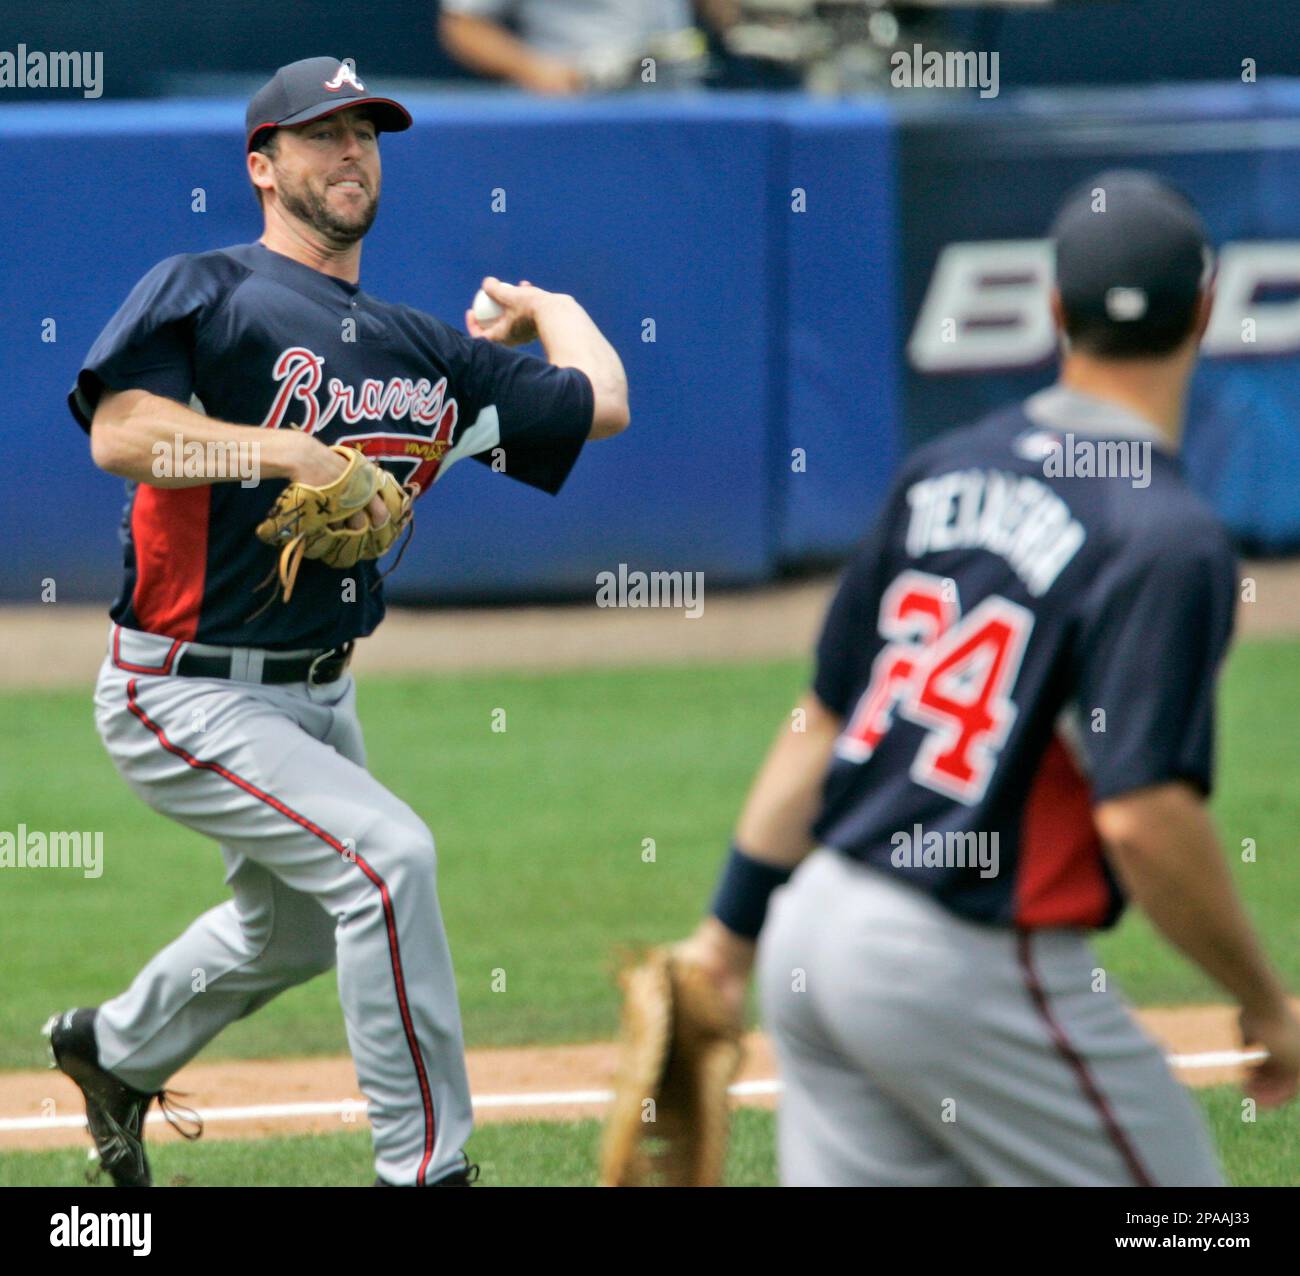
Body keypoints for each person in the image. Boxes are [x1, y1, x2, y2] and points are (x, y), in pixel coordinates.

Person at [45, 55, 629, 1188]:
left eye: (365, 133)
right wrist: (284, 449)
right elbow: (118, 433)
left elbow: (600, 404)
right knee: (389, 860)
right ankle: (426, 1173)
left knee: (300, 927)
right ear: (262, 166)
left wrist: (548, 307)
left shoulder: (423, 354)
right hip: (183, 686)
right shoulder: (205, 288)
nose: (349, 151)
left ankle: (112, 1051)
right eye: (320, 134)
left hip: (317, 696)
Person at [674, 171, 1300, 1186]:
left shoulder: (943, 468)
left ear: (1053, 311)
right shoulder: (1167, 534)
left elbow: (822, 721)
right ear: (1208, 309)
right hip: (959, 962)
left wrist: (725, 936)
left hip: (814, 930)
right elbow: (1141, 817)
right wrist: (1265, 998)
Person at [438, 0, 738, 93]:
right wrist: (535, 69)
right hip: (578, 118)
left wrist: (745, 21)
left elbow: (720, 11)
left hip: (681, 113)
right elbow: (462, 26)